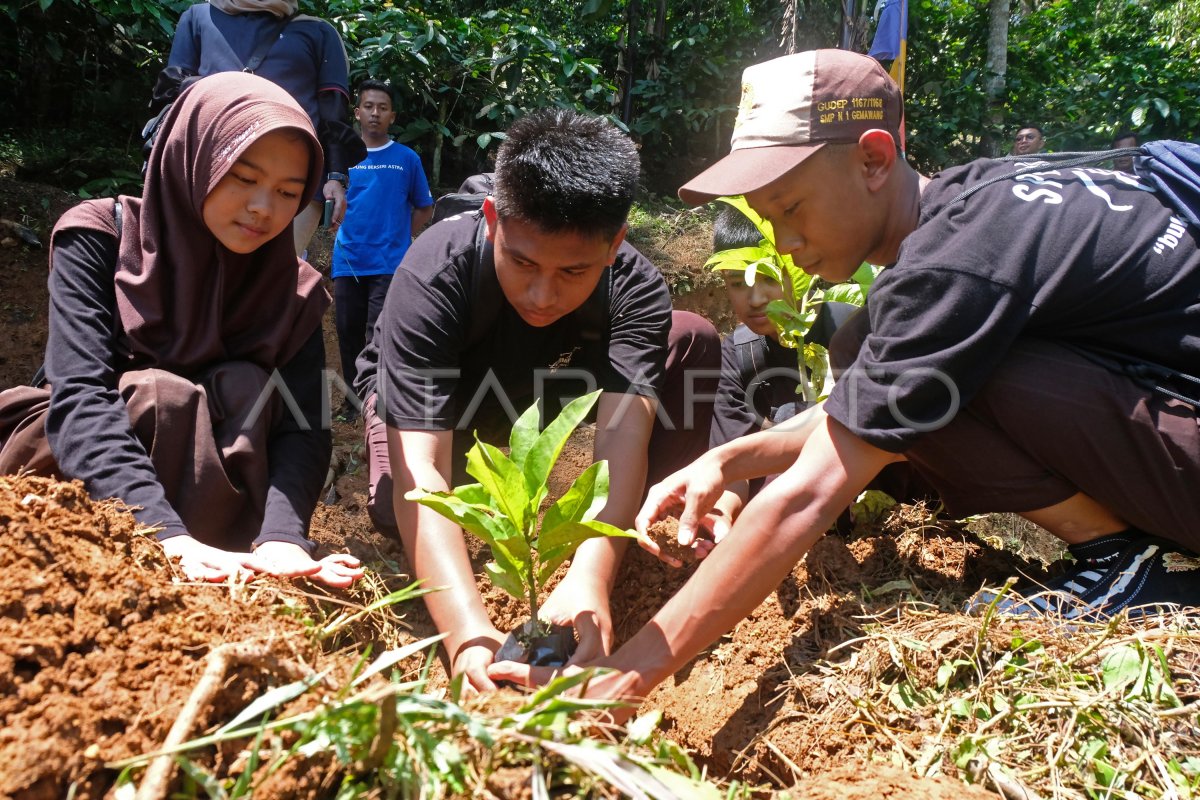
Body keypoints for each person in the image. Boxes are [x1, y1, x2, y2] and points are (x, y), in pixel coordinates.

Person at [489, 49, 1200, 711]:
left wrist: (631, 673)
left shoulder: (955, 263)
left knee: (935, 374)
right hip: (1167, 426)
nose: (788, 245)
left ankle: (1124, 570)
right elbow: (860, 401)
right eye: (769, 222)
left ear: (872, 158)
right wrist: (729, 456)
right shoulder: (975, 200)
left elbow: (807, 497)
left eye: (793, 209)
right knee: (884, 356)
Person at [354, 108, 721, 691]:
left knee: (688, 335)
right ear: (494, 220)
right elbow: (419, 468)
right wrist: (469, 636)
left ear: (614, 243)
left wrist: (592, 577)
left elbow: (623, 434)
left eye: (573, 271)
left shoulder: (633, 286)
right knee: (396, 508)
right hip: (442, 405)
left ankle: (651, 550)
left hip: (540, 391)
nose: (542, 294)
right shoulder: (436, 271)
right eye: (522, 262)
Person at [0, 72, 363, 589]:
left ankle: (229, 558)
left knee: (248, 388)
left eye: (288, 192)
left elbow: (305, 428)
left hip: (210, 525)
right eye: (243, 177)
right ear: (195, 157)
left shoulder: (292, 287)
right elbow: (80, 393)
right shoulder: (101, 236)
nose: (264, 207)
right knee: (162, 396)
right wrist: (161, 532)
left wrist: (283, 537)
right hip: (75, 477)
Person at [166, 0, 364, 255]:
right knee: (200, 270)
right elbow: (172, 94)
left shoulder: (318, 32)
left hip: (291, 185)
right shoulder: (198, 17)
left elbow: (333, 114)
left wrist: (336, 177)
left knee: (273, 280)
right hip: (209, 171)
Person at [331, 79, 434, 423]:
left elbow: (424, 207)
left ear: (393, 116)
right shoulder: (340, 159)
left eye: (383, 108)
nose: (375, 113)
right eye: (369, 107)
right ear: (357, 112)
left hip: (389, 263)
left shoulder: (406, 159)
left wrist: (401, 238)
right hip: (347, 261)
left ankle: (377, 402)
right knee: (347, 333)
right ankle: (351, 403)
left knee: (377, 334)